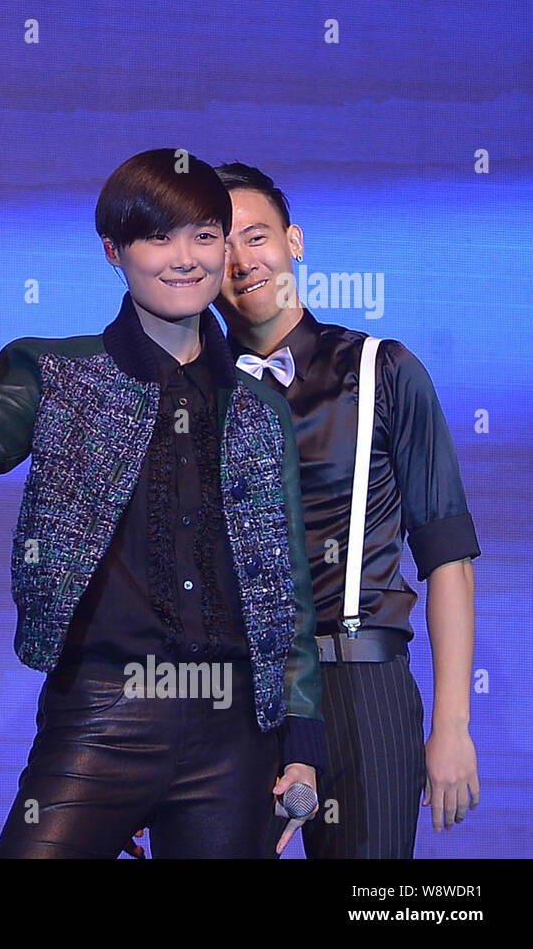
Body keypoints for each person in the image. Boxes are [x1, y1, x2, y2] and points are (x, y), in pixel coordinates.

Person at [0, 148, 325, 858]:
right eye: (158, 236)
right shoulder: (55, 370)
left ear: (224, 247)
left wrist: (303, 738)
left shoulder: (259, 409)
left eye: (203, 235)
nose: (184, 258)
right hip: (100, 708)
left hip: (235, 728)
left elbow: (288, 588)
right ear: (114, 250)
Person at [213, 162, 481, 858]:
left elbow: (447, 552)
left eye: (258, 236)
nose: (244, 262)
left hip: (361, 683)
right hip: (234, 691)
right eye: (222, 246)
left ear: (294, 241)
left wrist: (452, 722)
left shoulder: (382, 369)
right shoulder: (193, 396)